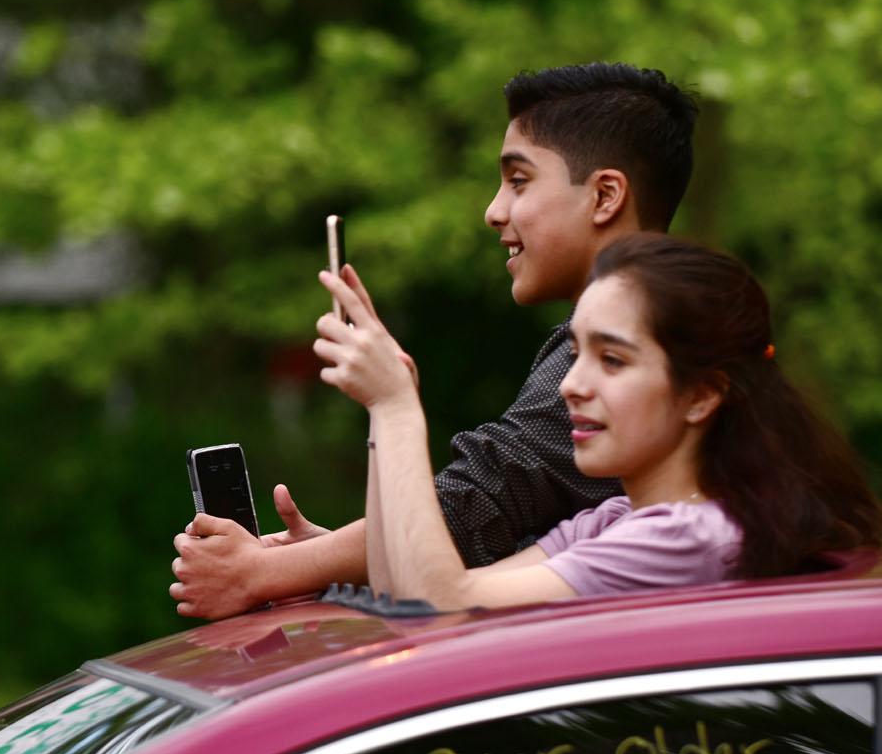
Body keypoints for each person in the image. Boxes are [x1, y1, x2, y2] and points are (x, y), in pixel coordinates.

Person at [171, 62, 699, 617]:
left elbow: (476, 505)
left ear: (605, 196)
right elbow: (454, 571)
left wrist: (266, 571)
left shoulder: (690, 518)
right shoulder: (610, 525)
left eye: (518, 181)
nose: (493, 211)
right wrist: (346, 554)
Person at [314, 232, 882, 607]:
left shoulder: (687, 539)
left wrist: (397, 411)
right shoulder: (616, 520)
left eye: (612, 360)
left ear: (701, 395)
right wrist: (380, 413)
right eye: (577, 354)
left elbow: (444, 606)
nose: (571, 384)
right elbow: (406, 597)